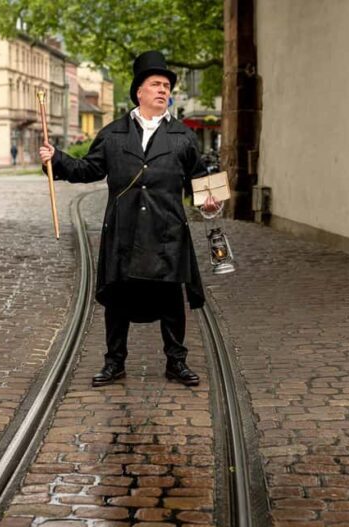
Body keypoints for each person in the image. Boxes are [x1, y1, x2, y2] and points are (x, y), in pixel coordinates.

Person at [39, 50, 220, 387]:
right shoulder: (113, 135)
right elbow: (88, 169)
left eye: (167, 85)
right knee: (119, 299)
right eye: (156, 84)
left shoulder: (183, 136)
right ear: (140, 91)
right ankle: (114, 362)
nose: (163, 90)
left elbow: (202, 181)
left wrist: (211, 201)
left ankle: (176, 362)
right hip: (124, 231)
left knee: (169, 300)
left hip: (167, 232)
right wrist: (57, 159)